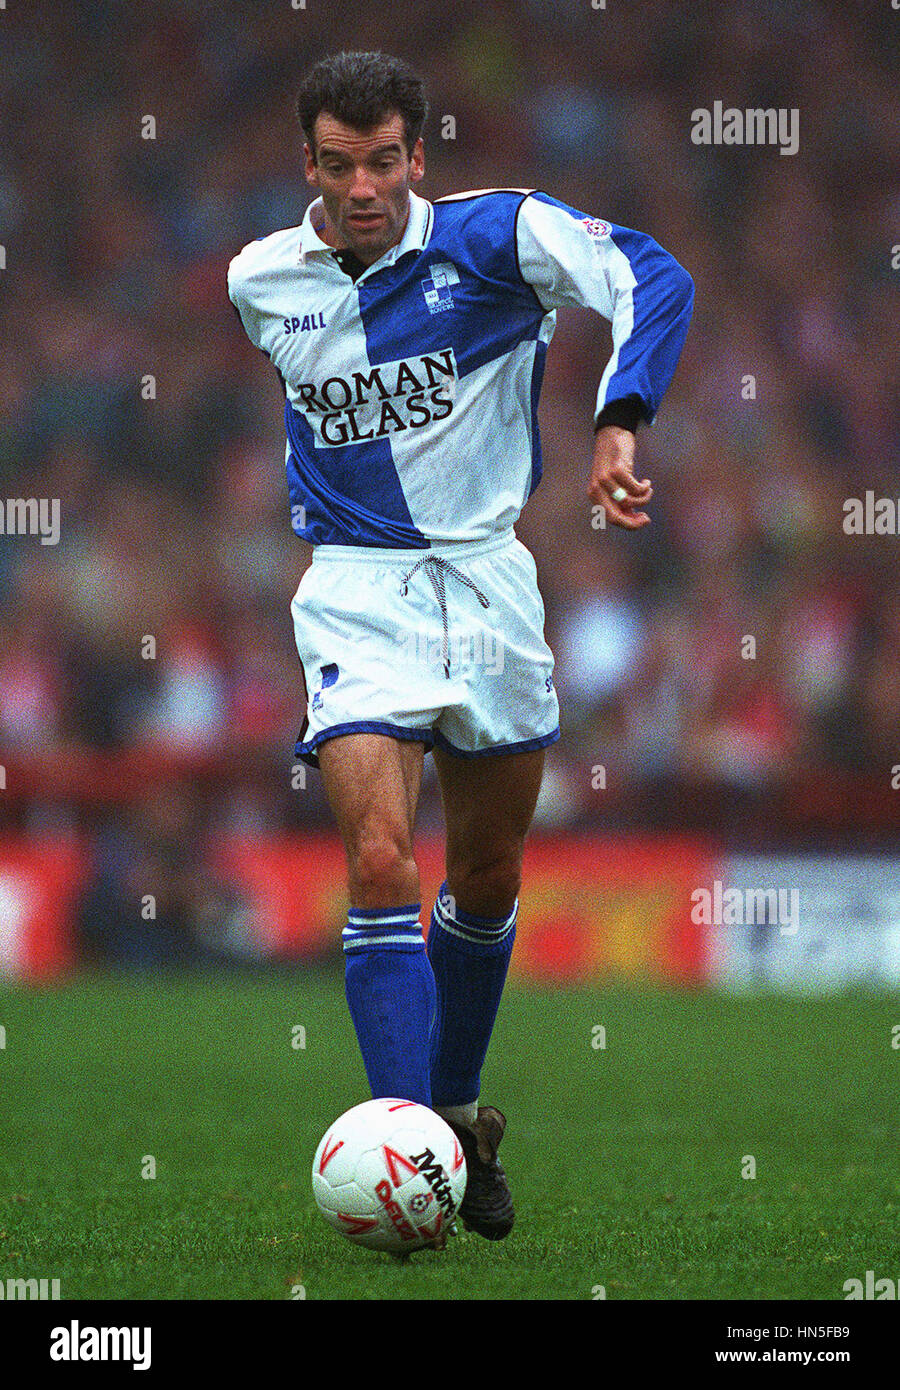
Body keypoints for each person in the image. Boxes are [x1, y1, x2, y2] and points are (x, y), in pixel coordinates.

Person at [227, 49, 693, 1242]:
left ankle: (453, 1107)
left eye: (384, 160)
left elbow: (651, 272)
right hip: (356, 592)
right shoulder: (261, 281)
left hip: (489, 586)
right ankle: (411, 1144)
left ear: (418, 154)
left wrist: (619, 418)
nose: (364, 185)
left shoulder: (498, 238)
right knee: (382, 860)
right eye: (339, 166)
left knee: (485, 882)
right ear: (309, 164)